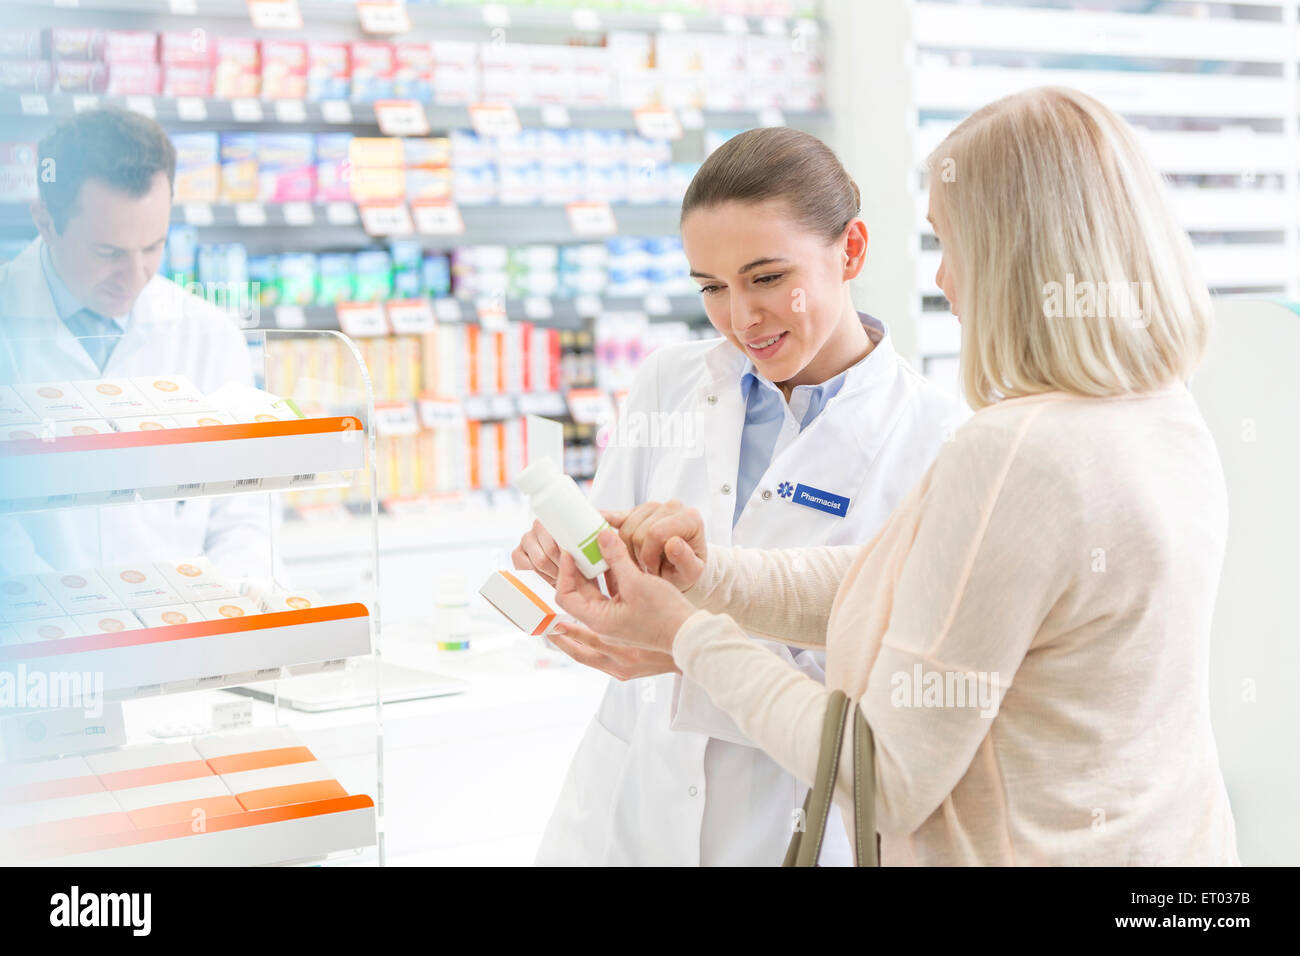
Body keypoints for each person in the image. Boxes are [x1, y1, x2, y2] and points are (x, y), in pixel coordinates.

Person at [553, 87, 1241, 866]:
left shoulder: (1012, 452)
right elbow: (908, 585)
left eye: (951, 244)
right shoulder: (1163, 417)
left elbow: (889, 771)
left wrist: (687, 635)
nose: (944, 278)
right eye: (712, 287)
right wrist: (712, 577)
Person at [515, 127, 966, 866]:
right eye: (712, 288)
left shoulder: (936, 438)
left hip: (787, 815)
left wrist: (684, 650)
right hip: (629, 804)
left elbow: (886, 691)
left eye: (765, 278)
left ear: (850, 250)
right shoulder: (671, 380)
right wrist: (568, 547)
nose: (740, 319)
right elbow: (611, 561)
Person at [0, 108, 269, 579]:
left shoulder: (206, 333)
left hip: (186, 633)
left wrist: (235, 588)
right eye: (108, 253)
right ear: (45, 221)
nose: (136, 276)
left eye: (153, 247)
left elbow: (243, 512)